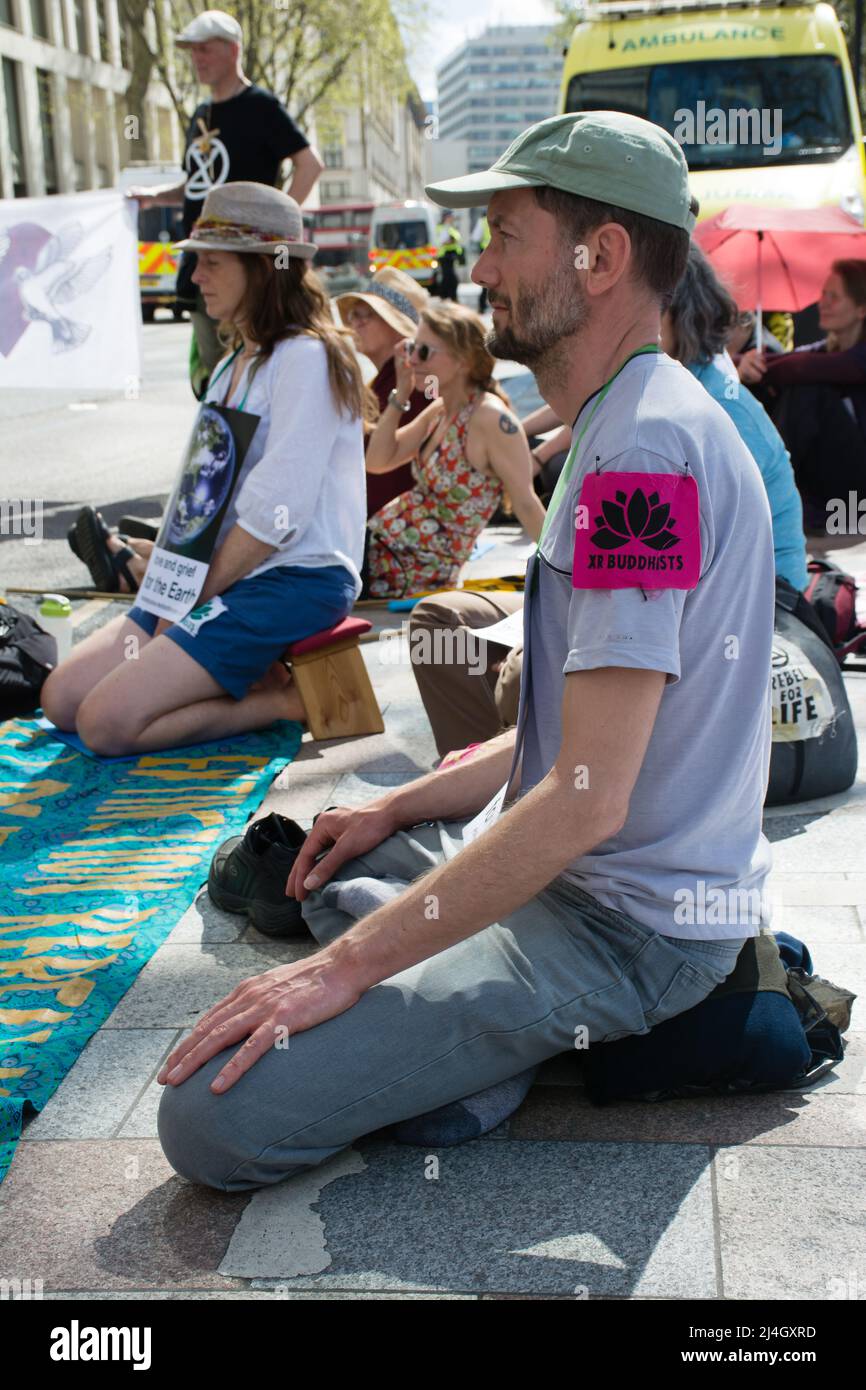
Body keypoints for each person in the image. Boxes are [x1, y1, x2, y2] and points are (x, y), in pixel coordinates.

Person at [156, 111, 774, 1194]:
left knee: (209, 1121)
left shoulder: (642, 454)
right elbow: (586, 746)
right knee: (336, 860)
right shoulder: (625, 418)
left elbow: (586, 797)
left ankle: (484, 1054)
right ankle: (445, 1019)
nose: (476, 266)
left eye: (502, 233)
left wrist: (343, 972)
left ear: (602, 256)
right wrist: (400, 809)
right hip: (578, 880)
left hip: (623, 934)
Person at [410, 242, 809, 760]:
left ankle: (511, 792)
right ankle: (492, 788)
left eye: (509, 238)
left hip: (742, 614)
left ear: (659, 316)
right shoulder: (628, 396)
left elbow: (655, 606)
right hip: (627, 601)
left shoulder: (664, 428)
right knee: (440, 625)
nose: (483, 271)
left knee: (521, 671)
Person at [41, 184, 370, 757]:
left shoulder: (304, 358)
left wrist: (187, 603)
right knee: (62, 699)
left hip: (294, 578)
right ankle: (235, 670)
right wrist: (169, 590)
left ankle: (289, 701)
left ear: (264, 270)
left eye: (211, 262)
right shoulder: (232, 366)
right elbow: (197, 500)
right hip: (218, 575)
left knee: (103, 724)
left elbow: (276, 516)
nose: (194, 276)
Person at [125, 10, 323, 387]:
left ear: (232, 51)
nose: (197, 59)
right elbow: (199, 184)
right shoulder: (201, 113)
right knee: (214, 381)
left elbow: (310, 165)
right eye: (192, 52)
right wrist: (153, 197)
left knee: (252, 373)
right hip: (202, 261)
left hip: (247, 267)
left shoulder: (260, 106)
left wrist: (275, 235)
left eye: (205, 50)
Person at [362, 300, 546, 598]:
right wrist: (401, 393)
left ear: (463, 360)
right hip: (380, 556)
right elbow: (378, 460)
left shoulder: (490, 419)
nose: (413, 361)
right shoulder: (440, 411)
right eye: (411, 348)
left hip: (407, 575)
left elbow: (526, 504)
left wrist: (571, 578)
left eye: (424, 352)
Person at [660, 243, 808, 592]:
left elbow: (706, 545)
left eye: (650, 304)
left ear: (682, 315)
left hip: (768, 606)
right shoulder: (681, 385)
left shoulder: (721, 407)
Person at [736, 260, 866, 519]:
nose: (823, 303)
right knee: (774, 386)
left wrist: (759, 368)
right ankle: (764, 484)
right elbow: (790, 360)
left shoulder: (858, 357)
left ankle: (769, 488)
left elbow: (802, 367)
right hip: (830, 479)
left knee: (808, 387)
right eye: (823, 294)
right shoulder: (826, 349)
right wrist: (744, 364)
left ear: (861, 309)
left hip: (857, 490)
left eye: (835, 297)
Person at [334, 268, 430, 517]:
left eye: (369, 315)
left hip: (392, 532)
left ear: (398, 327)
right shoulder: (378, 384)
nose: (356, 322)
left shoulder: (420, 385)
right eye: (355, 315)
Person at [434, 211, 464, 302]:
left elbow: (457, 238)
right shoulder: (442, 227)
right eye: (450, 216)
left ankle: (448, 296)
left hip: (451, 255)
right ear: (446, 217)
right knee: (450, 278)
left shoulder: (451, 227)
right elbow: (441, 241)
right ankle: (448, 296)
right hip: (445, 256)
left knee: (449, 278)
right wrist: (450, 241)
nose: (452, 218)